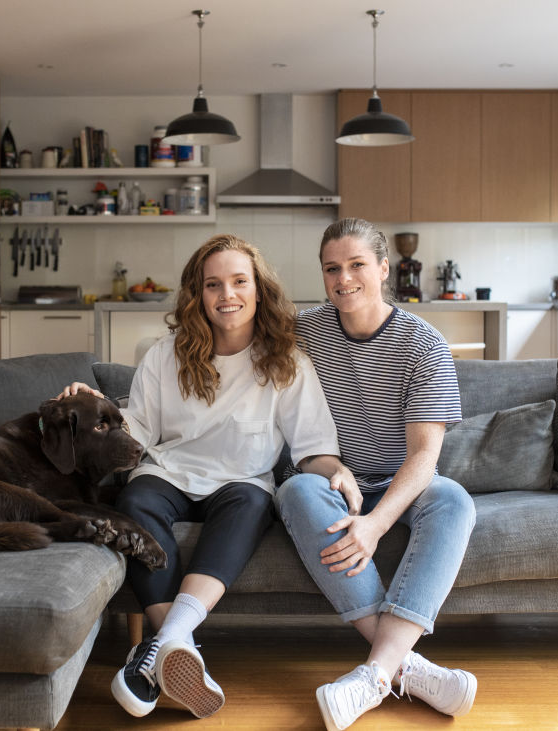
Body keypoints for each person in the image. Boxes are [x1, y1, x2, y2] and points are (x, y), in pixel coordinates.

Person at [60, 233, 346, 720]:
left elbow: (313, 447)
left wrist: (336, 471)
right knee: (134, 502)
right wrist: (92, 406)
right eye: (214, 284)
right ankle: (178, 648)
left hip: (241, 482)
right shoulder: (165, 354)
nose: (227, 295)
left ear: (259, 290)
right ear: (198, 294)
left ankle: (161, 645)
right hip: (170, 472)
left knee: (255, 504)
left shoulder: (287, 363)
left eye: (239, 282)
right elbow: (138, 431)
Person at [274, 218, 477, 730]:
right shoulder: (305, 333)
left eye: (357, 265)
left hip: (400, 481)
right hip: (330, 480)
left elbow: (424, 458)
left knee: (454, 501)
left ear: (383, 269)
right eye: (332, 269)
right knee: (295, 490)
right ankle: (406, 666)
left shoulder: (422, 343)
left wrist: (375, 525)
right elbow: (230, 347)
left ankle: (375, 673)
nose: (344, 279)